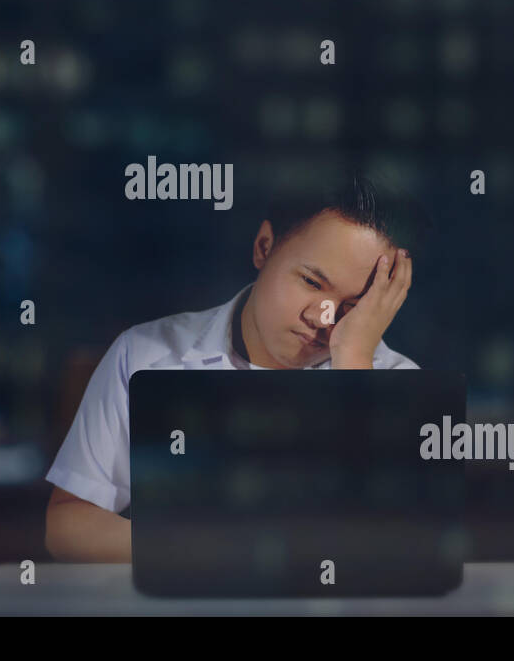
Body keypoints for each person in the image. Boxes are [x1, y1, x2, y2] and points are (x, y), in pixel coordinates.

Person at [44, 172, 427, 562]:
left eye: (351, 307)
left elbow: (396, 550)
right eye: (312, 282)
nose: (323, 318)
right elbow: (69, 526)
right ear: (264, 247)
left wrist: (354, 366)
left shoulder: (395, 381)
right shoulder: (149, 355)